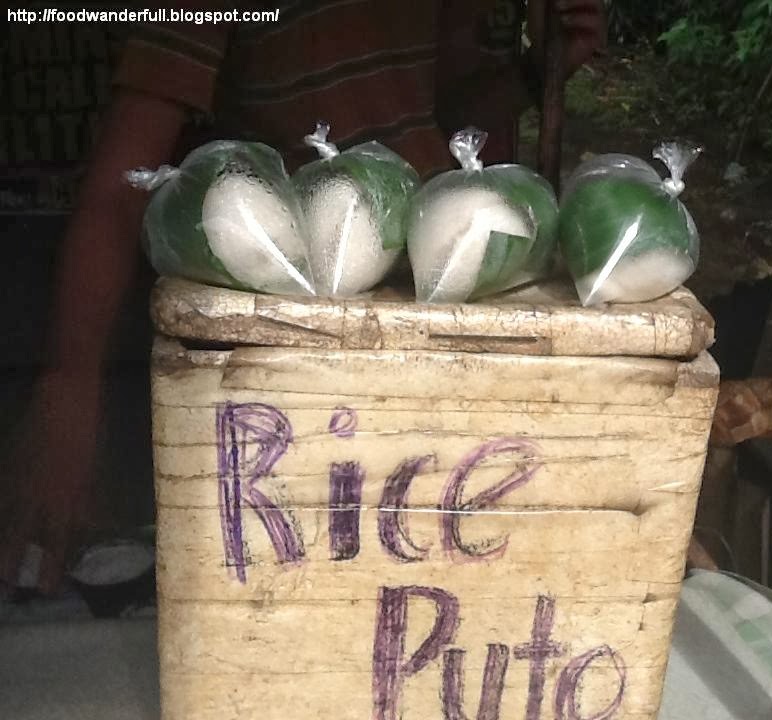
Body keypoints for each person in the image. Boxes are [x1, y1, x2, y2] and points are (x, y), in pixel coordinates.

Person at [0, 0, 603, 591]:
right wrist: (68, 386)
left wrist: (536, 69)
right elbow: (120, 185)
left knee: (442, 564)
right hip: (302, 328)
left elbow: (451, 110)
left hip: (429, 305)